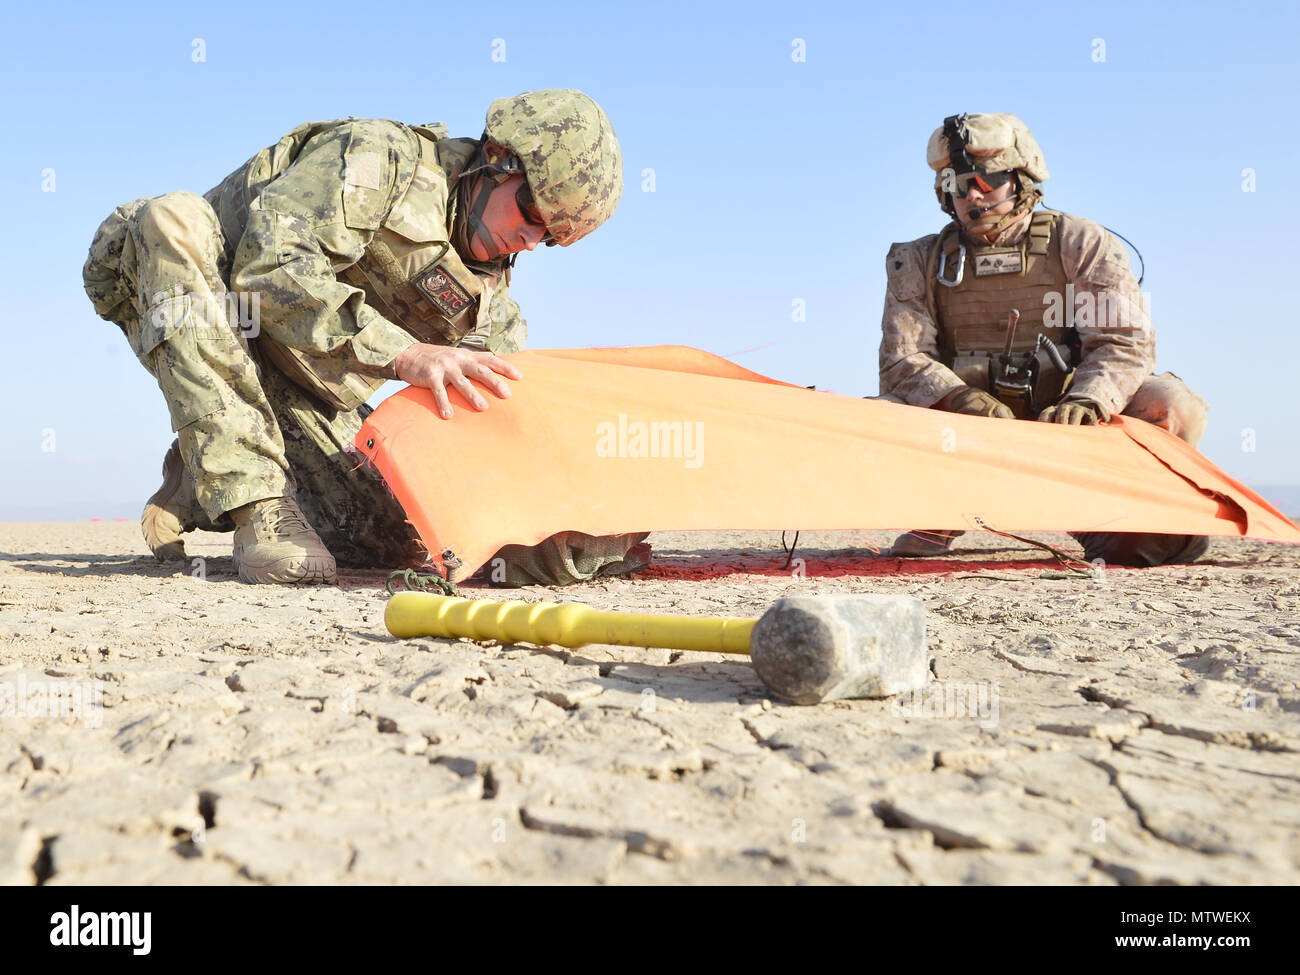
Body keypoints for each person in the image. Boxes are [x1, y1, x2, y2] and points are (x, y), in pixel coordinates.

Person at [83, 89, 647, 586]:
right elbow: (269, 270)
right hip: (183, 282)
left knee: (393, 538)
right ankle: (254, 500)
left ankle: (201, 476)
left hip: (296, 371)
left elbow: (492, 430)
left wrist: (579, 519)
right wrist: (404, 353)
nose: (528, 238)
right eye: (530, 210)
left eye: (549, 238)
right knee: (173, 220)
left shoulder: (490, 308)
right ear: (498, 160)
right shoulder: (379, 159)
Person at [877, 112, 1209, 566]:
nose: (972, 194)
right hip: (968, 423)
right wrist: (958, 399)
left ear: (1021, 178)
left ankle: (1127, 514)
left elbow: (1122, 340)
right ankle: (945, 507)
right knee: (878, 418)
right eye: (958, 183)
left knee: (1170, 405)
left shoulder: (1079, 242)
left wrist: (1089, 400)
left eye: (988, 179)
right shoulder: (918, 260)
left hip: (1066, 421)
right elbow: (903, 358)